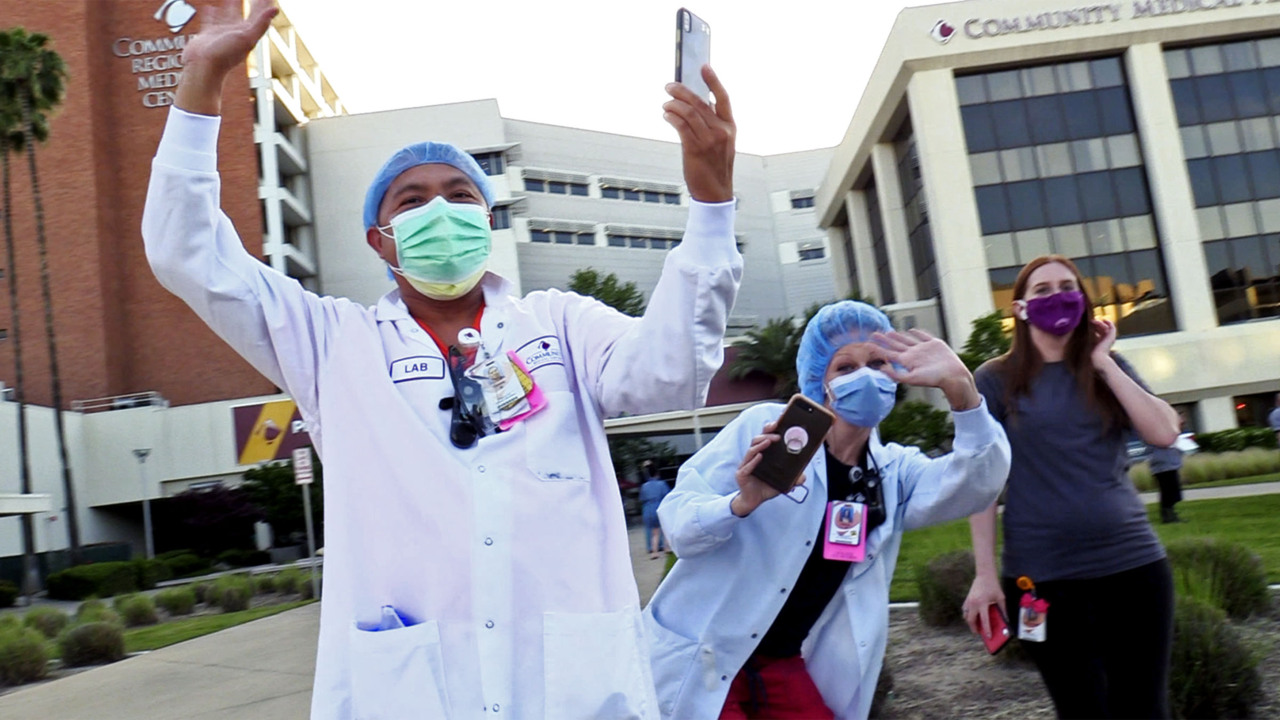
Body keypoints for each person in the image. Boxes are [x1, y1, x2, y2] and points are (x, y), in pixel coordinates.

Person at [141, 2, 741, 717]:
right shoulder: (333, 343)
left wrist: (711, 204)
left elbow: (671, 372)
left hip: (572, 688)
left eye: (460, 196)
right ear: (380, 239)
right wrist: (203, 79)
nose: (440, 211)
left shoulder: (559, 323)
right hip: (414, 689)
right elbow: (188, 254)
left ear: (486, 224)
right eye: (412, 201)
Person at [644, 301, 1011, 719]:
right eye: (846, 368)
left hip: (780, 660)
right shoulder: (767, 428)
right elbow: (678, 523)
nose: (866, 377)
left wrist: (962, 390)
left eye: (877, 362)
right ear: (820, 382)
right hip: (705, 654)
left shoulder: (892, 472)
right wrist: (739, 504)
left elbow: (979, 483)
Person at [962, 255, 1182, 719]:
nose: (1056, 296)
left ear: (1083, 301)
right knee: (1081, 709)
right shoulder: (995, 380)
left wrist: (1103, 362)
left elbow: (1164, 432)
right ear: (1020, 308)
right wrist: (984, 574)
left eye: (1067, 286)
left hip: (1133, 567)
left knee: (1144, 708)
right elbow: (980, 484)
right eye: (1041, 290)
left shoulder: (1108, 367)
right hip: (1041, 578)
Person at [1149, 410, 1189, 524]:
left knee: (1171, 491)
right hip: (1164, 465)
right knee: (1168, 491)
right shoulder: (1160, 430)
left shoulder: (1169, 431)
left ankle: (1169, 514)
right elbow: (1167, 440)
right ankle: (1168, 516)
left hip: (1168, 464)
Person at [640, 461, 672, 559]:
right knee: (665, 528)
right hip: (659, 506)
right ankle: (667, 547)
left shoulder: (644, 486)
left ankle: (654, 551)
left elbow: (642, 498)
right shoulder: (661, 484)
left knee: (655, 531)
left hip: (648, 508)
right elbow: (667, 496)